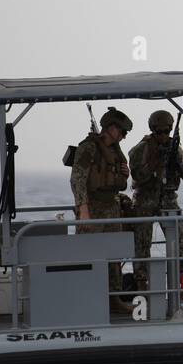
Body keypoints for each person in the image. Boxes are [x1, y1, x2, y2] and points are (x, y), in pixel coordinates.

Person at [128, 109, 183, 295]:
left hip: (168, 198)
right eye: (159, 132)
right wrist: (155, 164)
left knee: (179, 238)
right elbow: (136, 174)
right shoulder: (141, 149)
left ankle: (181, 282)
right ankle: (141, 282)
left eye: (166, 131)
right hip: (145, 198)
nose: (163, 136)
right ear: (152, 130)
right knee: (141, 243)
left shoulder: (174, 148)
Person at [70, 106, 134, 314]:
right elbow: (77, 180)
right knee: (88, 255)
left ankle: (113, 299)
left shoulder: (115, 151)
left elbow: (121, 180)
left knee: (114, 256)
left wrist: (125, 173)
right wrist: (83, 209)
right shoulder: (88, 148)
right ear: (112, 129)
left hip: (111, 207)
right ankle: (86, 299)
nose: (124, 137)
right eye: (122, 132)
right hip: (93, 208)